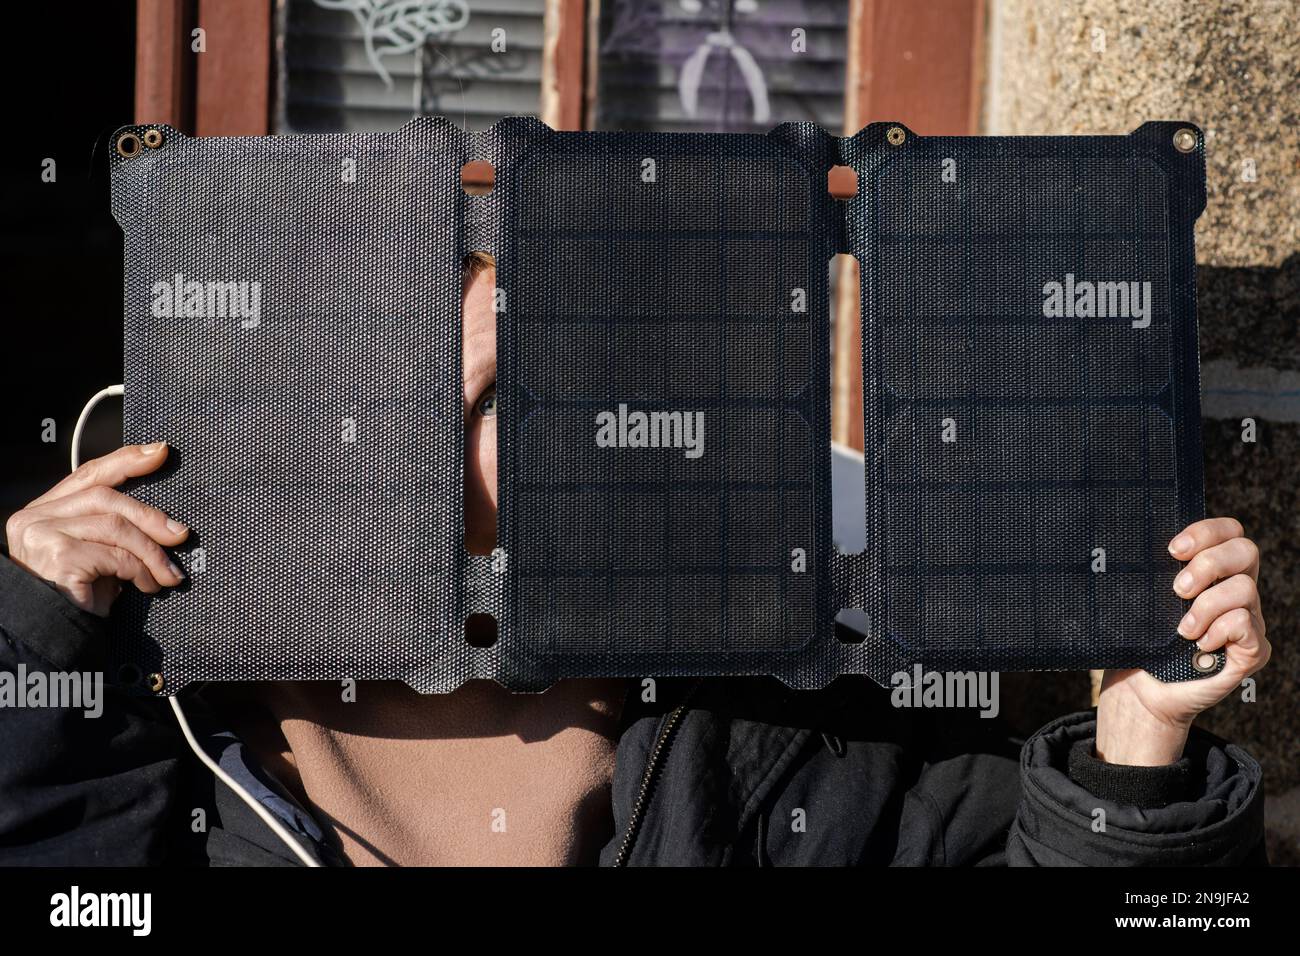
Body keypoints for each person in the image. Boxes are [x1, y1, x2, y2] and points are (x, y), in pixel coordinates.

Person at [0, 252, 1271, 866]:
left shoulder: (778, 726)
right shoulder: (183, 715)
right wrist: (37, 641)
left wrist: (1136, 743)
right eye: (496, 397)